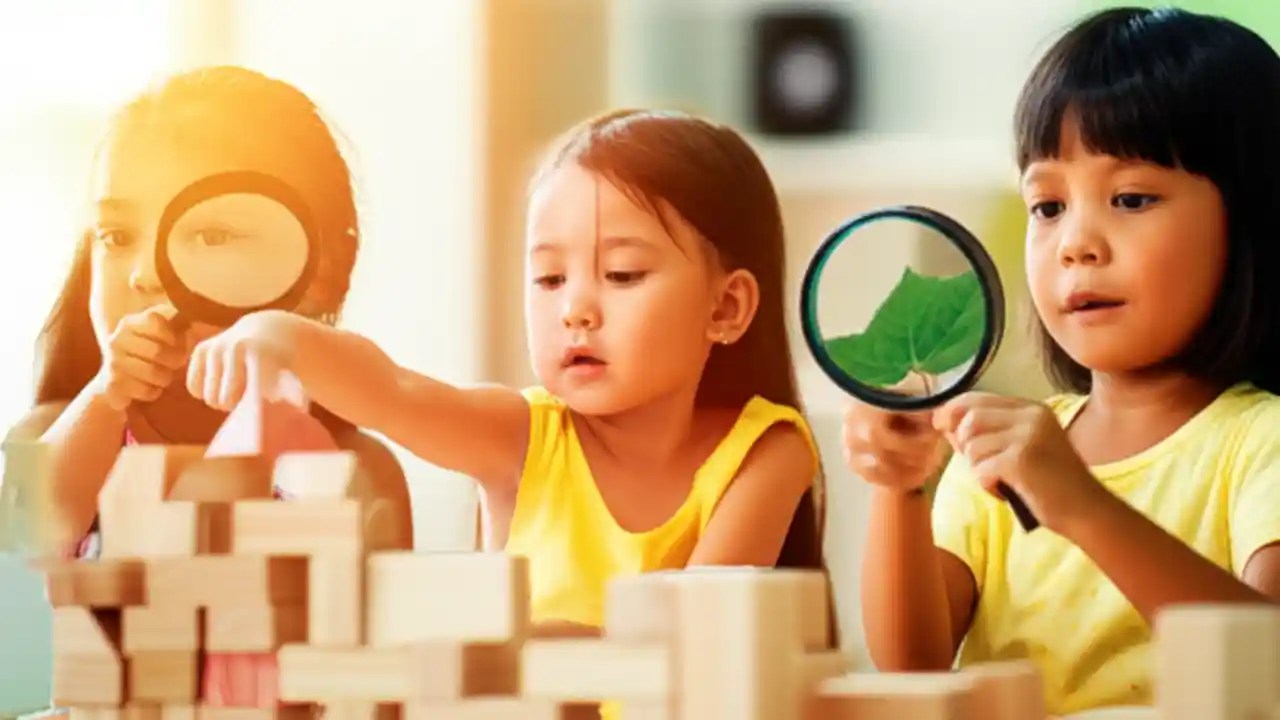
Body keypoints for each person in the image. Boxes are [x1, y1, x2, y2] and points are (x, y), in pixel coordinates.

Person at [186, 108, 831, 638]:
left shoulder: (767, 452)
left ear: (726, 307)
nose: (575, 309)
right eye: (549, 278)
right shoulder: (520, 439)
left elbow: (694, 640)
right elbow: (390, 390)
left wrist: (549, 650)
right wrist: (275, 335)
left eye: (623, 274)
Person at [846, 7, 1280, 716]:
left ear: (1255, 219)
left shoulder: (1259, 443)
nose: (1076, 243)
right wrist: (896, 491)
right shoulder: (1002, 454)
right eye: (1047, 207)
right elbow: (910, 664)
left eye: (1131, 198)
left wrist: (1079, 504)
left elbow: (1268, 667)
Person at [4, 65, 412, 559]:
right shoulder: (44, 436)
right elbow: (19, 562)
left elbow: (377, 626)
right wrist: (103, 403)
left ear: (318, 272)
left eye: (211, 236)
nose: (147, 274)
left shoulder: (357, 469)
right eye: (116, 237)